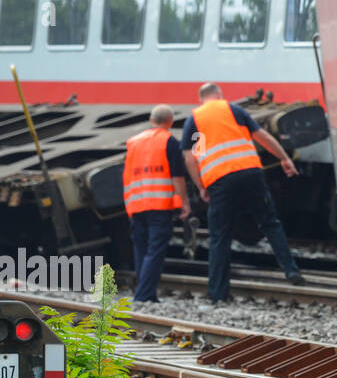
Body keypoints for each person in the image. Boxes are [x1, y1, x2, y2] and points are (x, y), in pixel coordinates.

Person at [181, 83, 305, 302]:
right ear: (219, 96)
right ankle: (292, 271)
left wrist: (201, 186)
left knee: (220, 235)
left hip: (220, 181)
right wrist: (284, 158)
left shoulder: (195, 119)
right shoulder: (234, 110)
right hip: (250, 173)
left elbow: (190, 156)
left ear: (201, 99)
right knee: (270, 222)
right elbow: (263, 136)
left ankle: (217, 293)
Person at [123, 105, 190, 304]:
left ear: (151, 120)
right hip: (159, 205)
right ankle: (143, 295)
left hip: (136, 204)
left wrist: (128, 204)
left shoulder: (133, 143)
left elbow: (126, 175)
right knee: (155, 250)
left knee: (141, 249)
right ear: (170, 122)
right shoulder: (168, 141)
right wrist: (184, 202)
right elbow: (177, 177)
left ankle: (146, 293)